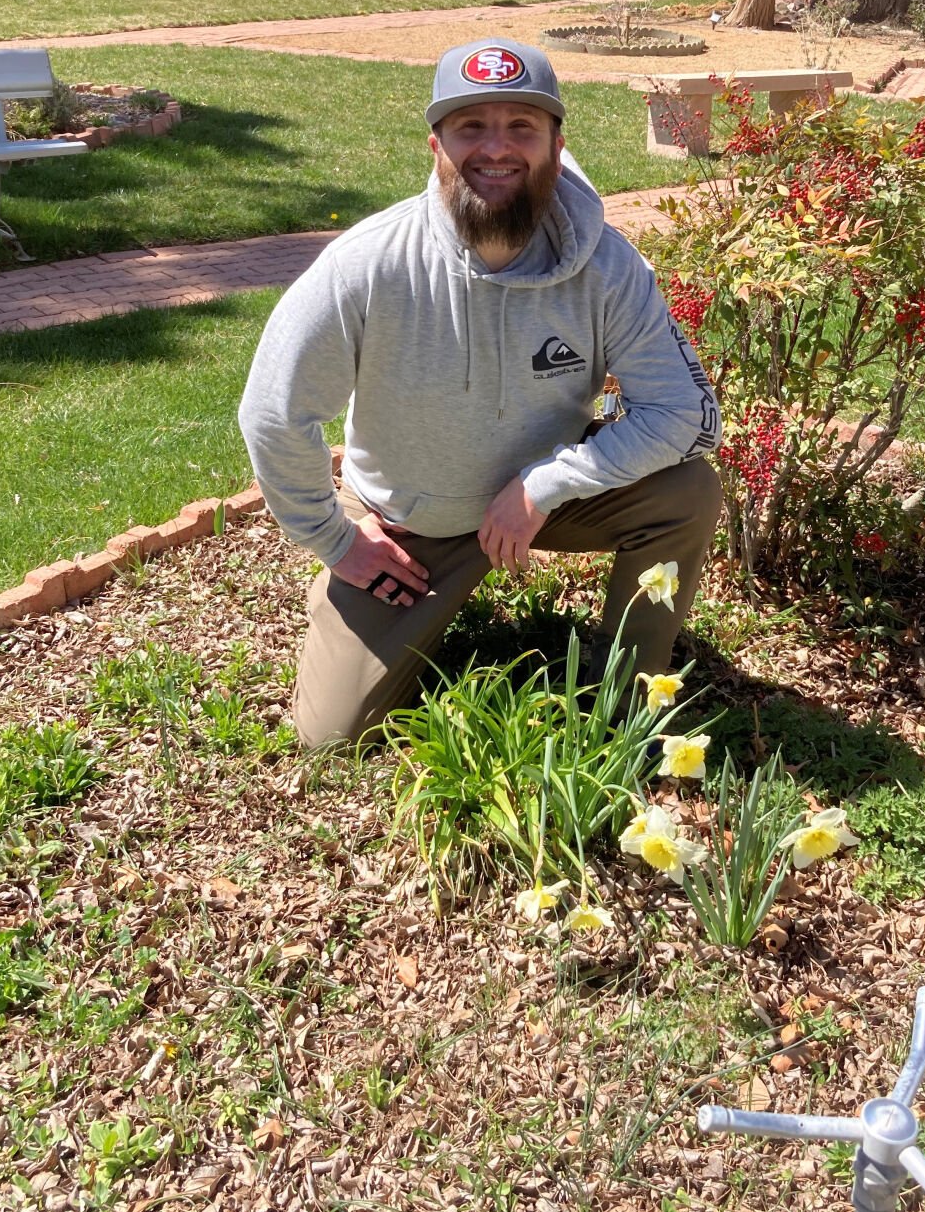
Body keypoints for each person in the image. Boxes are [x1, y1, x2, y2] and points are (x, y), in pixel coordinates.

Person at [239, 37, 722, 747]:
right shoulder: (367, 265)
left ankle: (626, 696)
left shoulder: (609, 268)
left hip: (541, 499)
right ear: (435, 145)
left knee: (686, 491)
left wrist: (546, 484)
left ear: (557, 146)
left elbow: (683, 413)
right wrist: (335, 541)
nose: (496, 148)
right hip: (412, 527)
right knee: (333, 737)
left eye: (521, 126)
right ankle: (373, 604)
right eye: (471, 127)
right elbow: (274, 414)